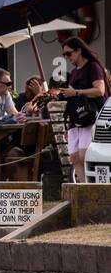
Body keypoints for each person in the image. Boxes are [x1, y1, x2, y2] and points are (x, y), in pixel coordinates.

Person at [59, 37, 107, 182]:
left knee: (84, 155)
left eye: (69, 54)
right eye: (64, 55)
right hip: (76, 118)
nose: (67, 58)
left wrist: (76, 92)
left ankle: (92, 189)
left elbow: (100, 90)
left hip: (90, 116)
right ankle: (83, 189)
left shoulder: (93, 67)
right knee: (74, 157)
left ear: (79, 51)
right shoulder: (74, 72)